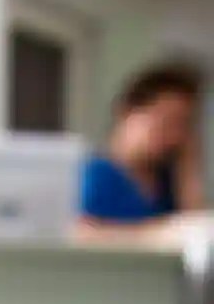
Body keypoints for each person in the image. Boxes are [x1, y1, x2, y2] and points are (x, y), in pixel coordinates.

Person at [79, 64, 206, 240]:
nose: (173, 135)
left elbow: (198, 236)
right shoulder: (93, 174)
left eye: (183, 125)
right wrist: (157, 235)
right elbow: (77, 234)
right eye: (165, 120)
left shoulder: (169, 181)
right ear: (128, 112)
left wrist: (189, 168)